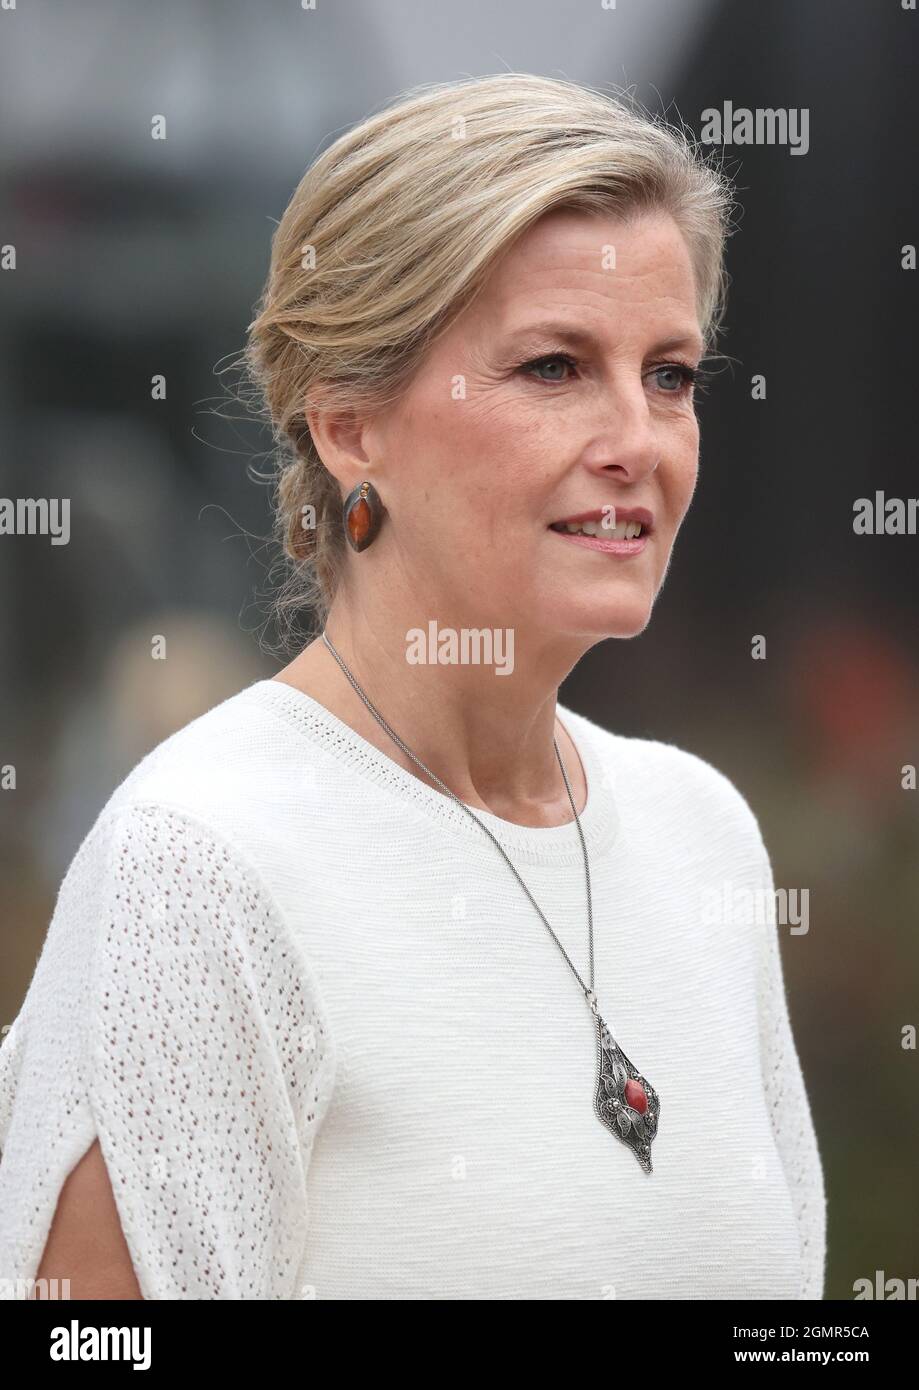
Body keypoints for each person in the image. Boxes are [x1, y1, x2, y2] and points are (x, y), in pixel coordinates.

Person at [0, 72, 826, 1300]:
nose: (636, 441)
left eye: (668, 373)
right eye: (553, 367)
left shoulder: (701, 830)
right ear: (347, 425)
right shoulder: (201, 864)